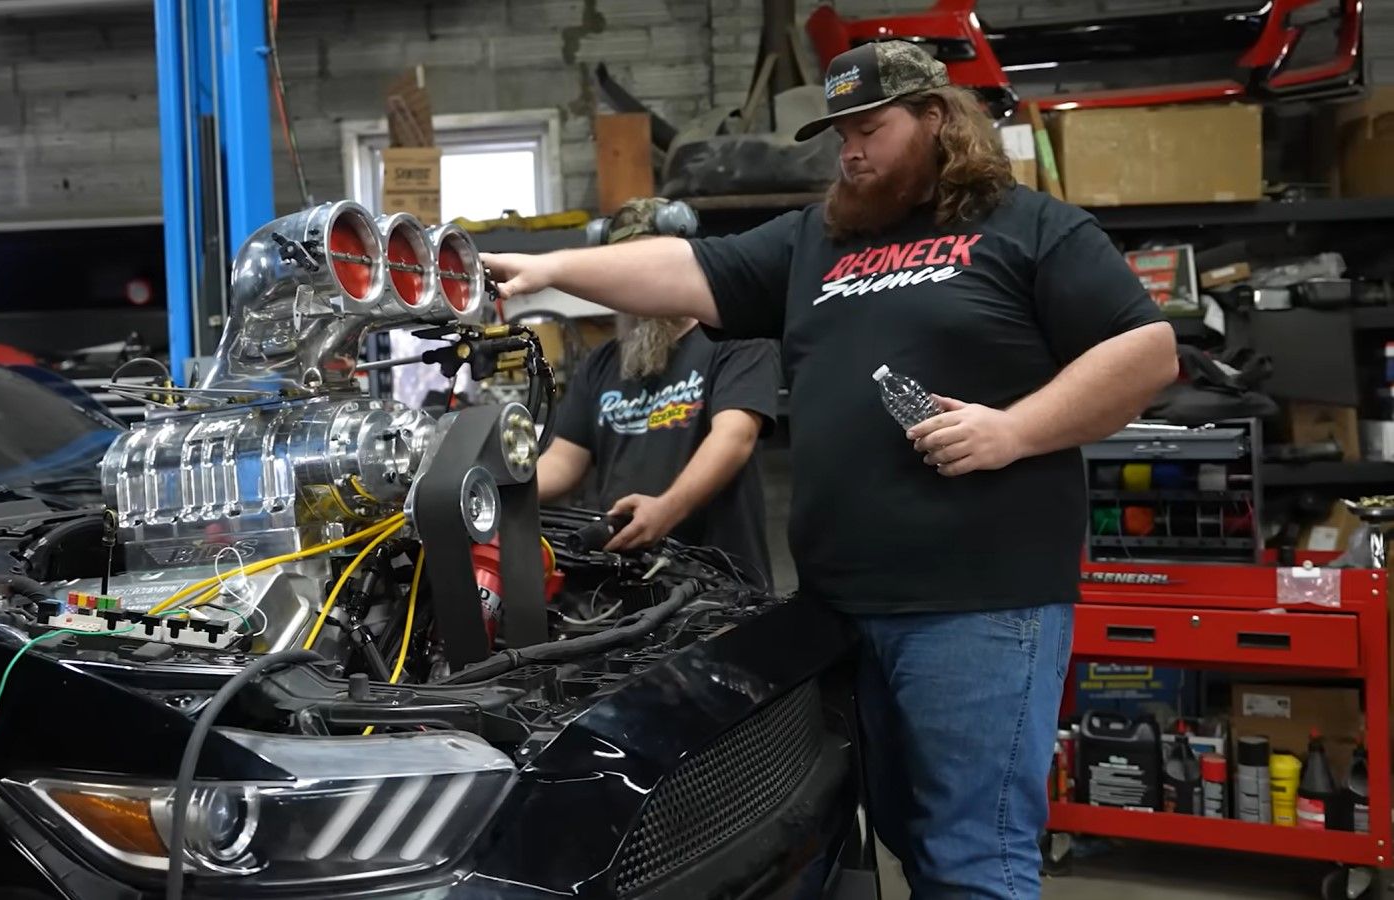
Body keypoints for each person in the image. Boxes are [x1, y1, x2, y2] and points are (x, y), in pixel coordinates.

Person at [485, 41, 1177, 899]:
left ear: (936, 119)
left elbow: (1146, 352)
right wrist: (549, 272)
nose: (850, 151)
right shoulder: (817, 240)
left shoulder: (1028, 226)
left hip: (976, 607)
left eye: (870, 129)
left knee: (971, 854)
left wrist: (1015, 430)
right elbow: (685, 267)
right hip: (840, 607)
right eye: (839, 133)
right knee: (886, 833)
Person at [536, 197, 781, 588]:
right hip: (623, 581)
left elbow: (735, 437)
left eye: (646, 266)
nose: (634, 283)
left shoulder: (737, 338)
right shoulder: (602, 363)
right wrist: (492, 491)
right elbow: (564, 462)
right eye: (621, 270)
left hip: (718, 582)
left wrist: (666, 510)